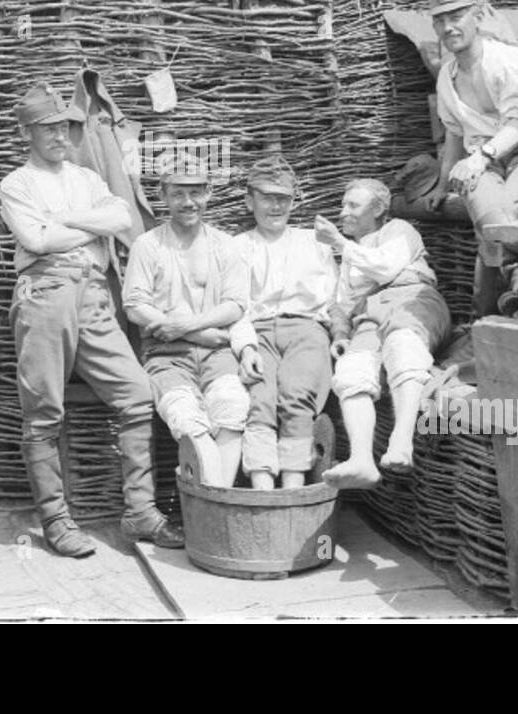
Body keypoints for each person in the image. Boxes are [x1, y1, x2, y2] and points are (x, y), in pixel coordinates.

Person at [0, 83, 183, 558]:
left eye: (64, 126)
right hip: (45, 293)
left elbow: (121, 217)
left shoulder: (83, 177)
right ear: (27, 134)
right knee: (43, 412)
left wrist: (66, 219)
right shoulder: (17, 183)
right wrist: (84, 224)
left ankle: (140, 511)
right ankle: (56, 519)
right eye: (48, 129)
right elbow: (36, 239)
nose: (59, 135)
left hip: (95, 293)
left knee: (138, 396)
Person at [422, 0, 518, 315]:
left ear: (478, 16)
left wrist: (482, 157)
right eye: (440, 20)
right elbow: (454, 133)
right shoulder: (446, 76)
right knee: (488, 207)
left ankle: (488, 312)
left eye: (456, 16)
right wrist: (442, 185)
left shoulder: (508, 59)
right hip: (481, 161)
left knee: (498, 219)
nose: (448, 27)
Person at [122, 154, 250, 488]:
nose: (188, 202)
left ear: (208, 193)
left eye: (196, 192)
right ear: (163, 196)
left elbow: (235, 305)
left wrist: (185, 327)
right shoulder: (148, 246)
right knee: (187, 419)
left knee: (231, 408)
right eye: (178, 193)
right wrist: (196, 334)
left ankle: (214, 502)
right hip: (166, 357)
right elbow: (135, 305)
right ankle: (215, 503)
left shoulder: (225, 245)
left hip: (217, 353)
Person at [316, 179, 452, 485]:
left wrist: (339, 242)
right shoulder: (349, 253)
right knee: (351, 372)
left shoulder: (399, 230)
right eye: (342, 205)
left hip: (412, 301)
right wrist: (340, 333)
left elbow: (386, 268)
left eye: (352, 205)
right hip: (369, 316)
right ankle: (362, 459)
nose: (343, 212)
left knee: (402, 346)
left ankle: (402, 441)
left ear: (378, 209)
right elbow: (341, 304)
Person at [230, 156, 338, 490]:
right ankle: (263, 490)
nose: (276, 206)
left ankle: (292, 488)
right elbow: (233, 307)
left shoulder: (315, 243)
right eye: (267, 197)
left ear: (294, 201)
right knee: (259, 399)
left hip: (306, 329)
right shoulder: (237, 247)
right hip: (258, 331)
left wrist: (340, 336)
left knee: (296, 393)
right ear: (250, 201)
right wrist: (245, 347)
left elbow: (335, 299)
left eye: (284, 199)